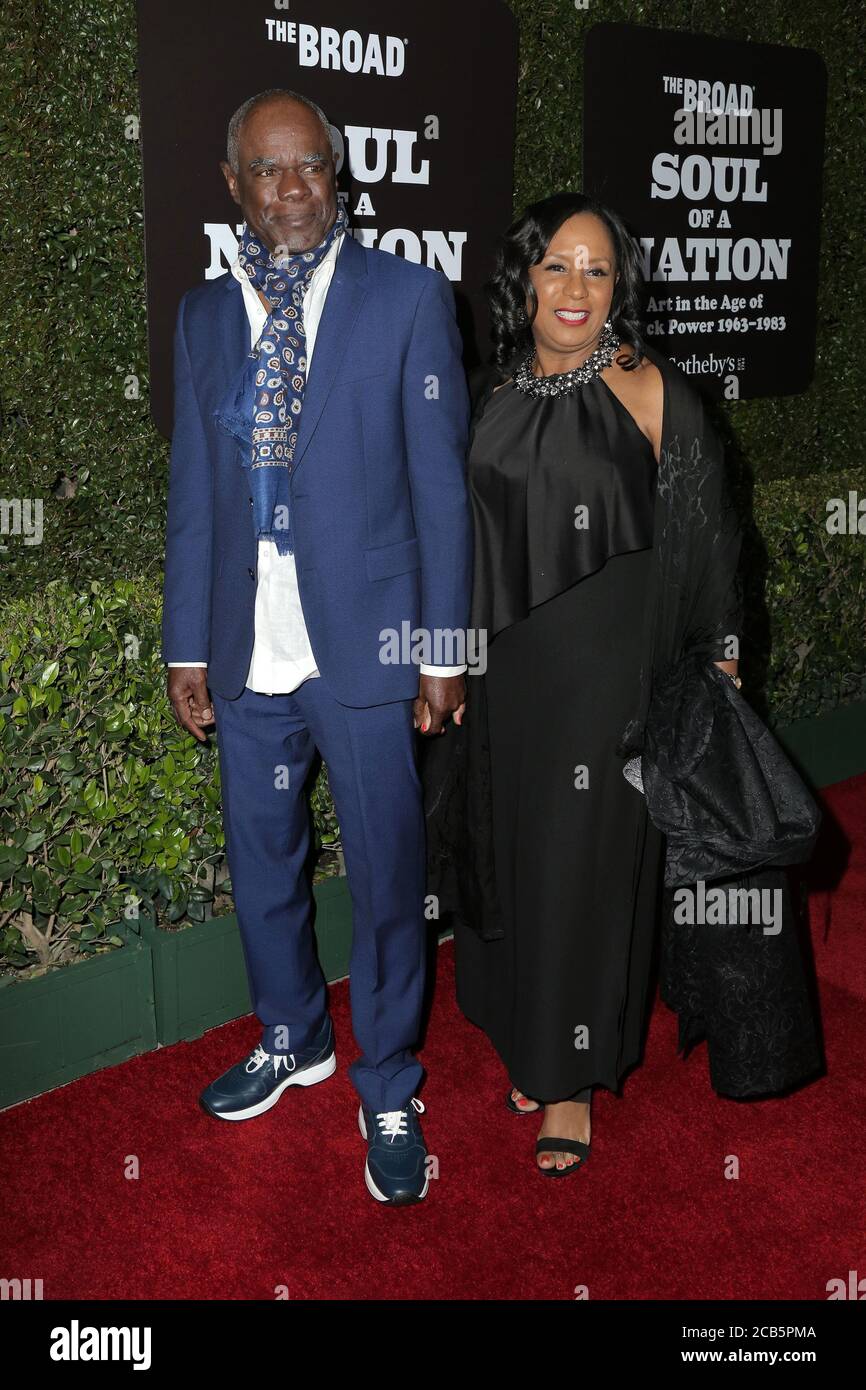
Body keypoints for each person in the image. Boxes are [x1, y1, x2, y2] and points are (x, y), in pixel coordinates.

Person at [161, 88, 472, 1205]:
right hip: (250, 653)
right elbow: (193, 492)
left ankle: (387, 1075)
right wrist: (184, 641)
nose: (292, 192)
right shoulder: (205, 316)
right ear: (234, 185)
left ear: (335, 178)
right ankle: (293, 1035)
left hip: (371, 646)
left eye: (310, 170)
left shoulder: (405, 299)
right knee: (263, 871)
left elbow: (442, 491)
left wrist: (443, 648)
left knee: (390, 878)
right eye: (268, 171)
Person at [423, 191, 743, 1175]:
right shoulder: (490, 388)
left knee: (577, 867)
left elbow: (713, 541)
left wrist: (719, 665)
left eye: (595, 269)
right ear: (524, 275)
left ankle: (567, 1084)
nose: (573, 288)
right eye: (554, 264)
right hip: (503, 669)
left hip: (607, 677)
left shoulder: (651, 389)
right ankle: (519, 1023)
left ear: (619, 287)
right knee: (508, 848)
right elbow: (457, 538)